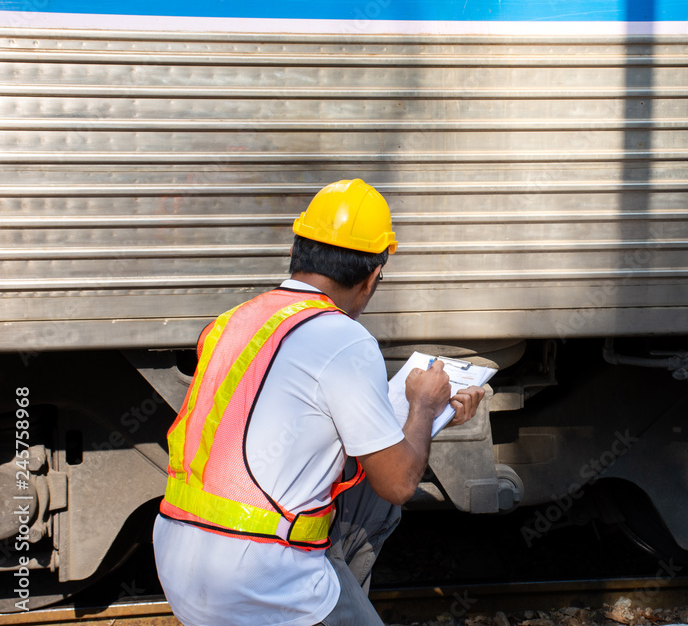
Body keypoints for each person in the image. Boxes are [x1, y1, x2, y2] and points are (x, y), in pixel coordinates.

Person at [153, 178, 485, 626]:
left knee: (367, 491)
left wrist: (424, 417)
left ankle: (339, 595)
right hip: (256, 578)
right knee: (385, 490)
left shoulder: (233, 321)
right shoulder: (344, 338)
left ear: (295, 254)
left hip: (178, 553)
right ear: (371, 279)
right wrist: (424, 408)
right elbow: (400, 484)